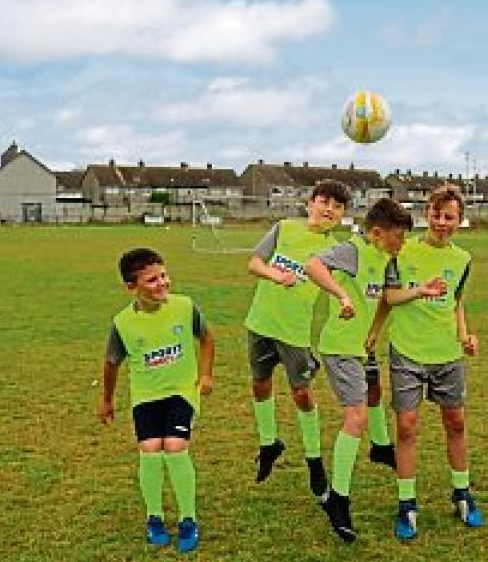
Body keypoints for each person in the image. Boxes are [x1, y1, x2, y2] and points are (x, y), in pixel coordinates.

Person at [304, 197, 413, 542]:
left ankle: (380, 448)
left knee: (375, 392)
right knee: (356, 418)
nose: (403, 243)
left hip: (360, 346)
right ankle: (338, 499)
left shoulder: (386, 259)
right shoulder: (352, 251)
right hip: (339, 348)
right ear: (378, 233)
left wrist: (374, 332)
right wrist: (342, 296)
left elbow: (386, 299)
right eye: (399, 236)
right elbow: (312, 265)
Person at [380, 184, 482, 540]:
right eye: (436, 215)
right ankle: (407, 503)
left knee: (455, 422)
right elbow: (390, 296)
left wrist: (465, 336)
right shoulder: (402, 250)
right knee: (407, 426)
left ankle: (462, 492)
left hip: (447, 355)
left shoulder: (463, 260)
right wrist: (420, 291)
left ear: (459, 221)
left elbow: (457, 303)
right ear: (427, 215)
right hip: (407, 351)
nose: (441, 222)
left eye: (449, 217)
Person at [98, 248, 215, 553]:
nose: (163, 283)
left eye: (163, 275)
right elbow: (111, 364)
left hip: (181, 392)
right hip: (146, 396)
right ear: (131, 287)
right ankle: (155, 519)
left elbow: (207, 337)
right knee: (150, 449)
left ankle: (188, 519)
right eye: (152, 280)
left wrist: (205, 376)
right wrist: (107, 400)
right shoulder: (123, 323)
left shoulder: (185, 307)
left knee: (174, 446)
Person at [244, 179, 350, 503]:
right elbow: (254, 263)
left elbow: (343, 283)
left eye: (337, 206)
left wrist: (344, 302)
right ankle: (268, 443)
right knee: (260, 384)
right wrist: (277, 276)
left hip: (295, 332)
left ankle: (314, 461)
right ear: (311, 204)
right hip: (261, 322)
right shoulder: (284, 228)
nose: (329, 209)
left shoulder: (336, 250)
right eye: (324, 202)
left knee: (302, 393)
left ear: (342, 214)